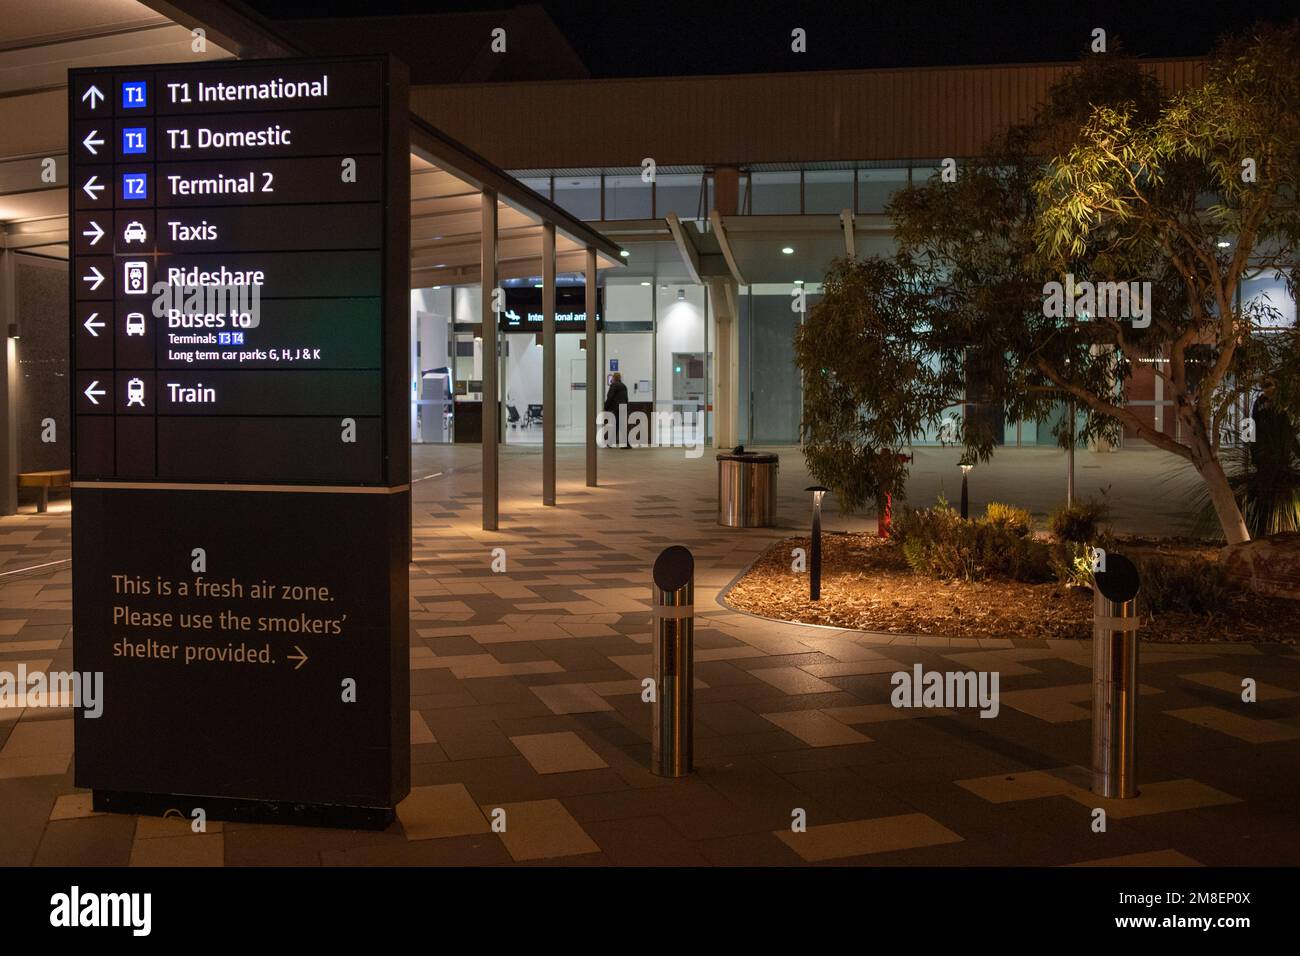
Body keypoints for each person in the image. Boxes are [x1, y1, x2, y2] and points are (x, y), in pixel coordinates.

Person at [603, 372, 630, 448]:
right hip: (624, 407)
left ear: (614, 378)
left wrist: (606, 407)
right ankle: (611, 442)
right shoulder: (624, 386)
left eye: (612, 378)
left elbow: (610, 397)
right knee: (619, 425)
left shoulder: (614, 385)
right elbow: (626, 398)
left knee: (619, 425)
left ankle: (625, 444)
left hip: (617, 408)